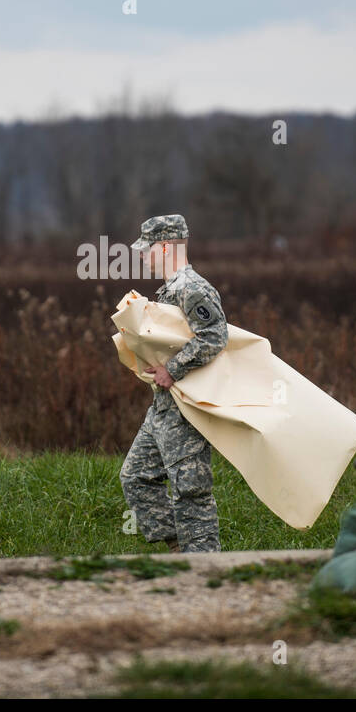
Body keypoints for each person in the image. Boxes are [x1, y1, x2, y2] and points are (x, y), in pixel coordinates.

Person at [119, 214, 226, 553]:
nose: (141, 256)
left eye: (146, 249)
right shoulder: (171, 289)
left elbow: (214, 335)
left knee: (190, 491)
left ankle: (206, 569)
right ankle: (180, 550)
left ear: (165, 247)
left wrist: (173, 369)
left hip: (186, 408)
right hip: (164, 408)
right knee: (135, 477)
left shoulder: (192, 288)